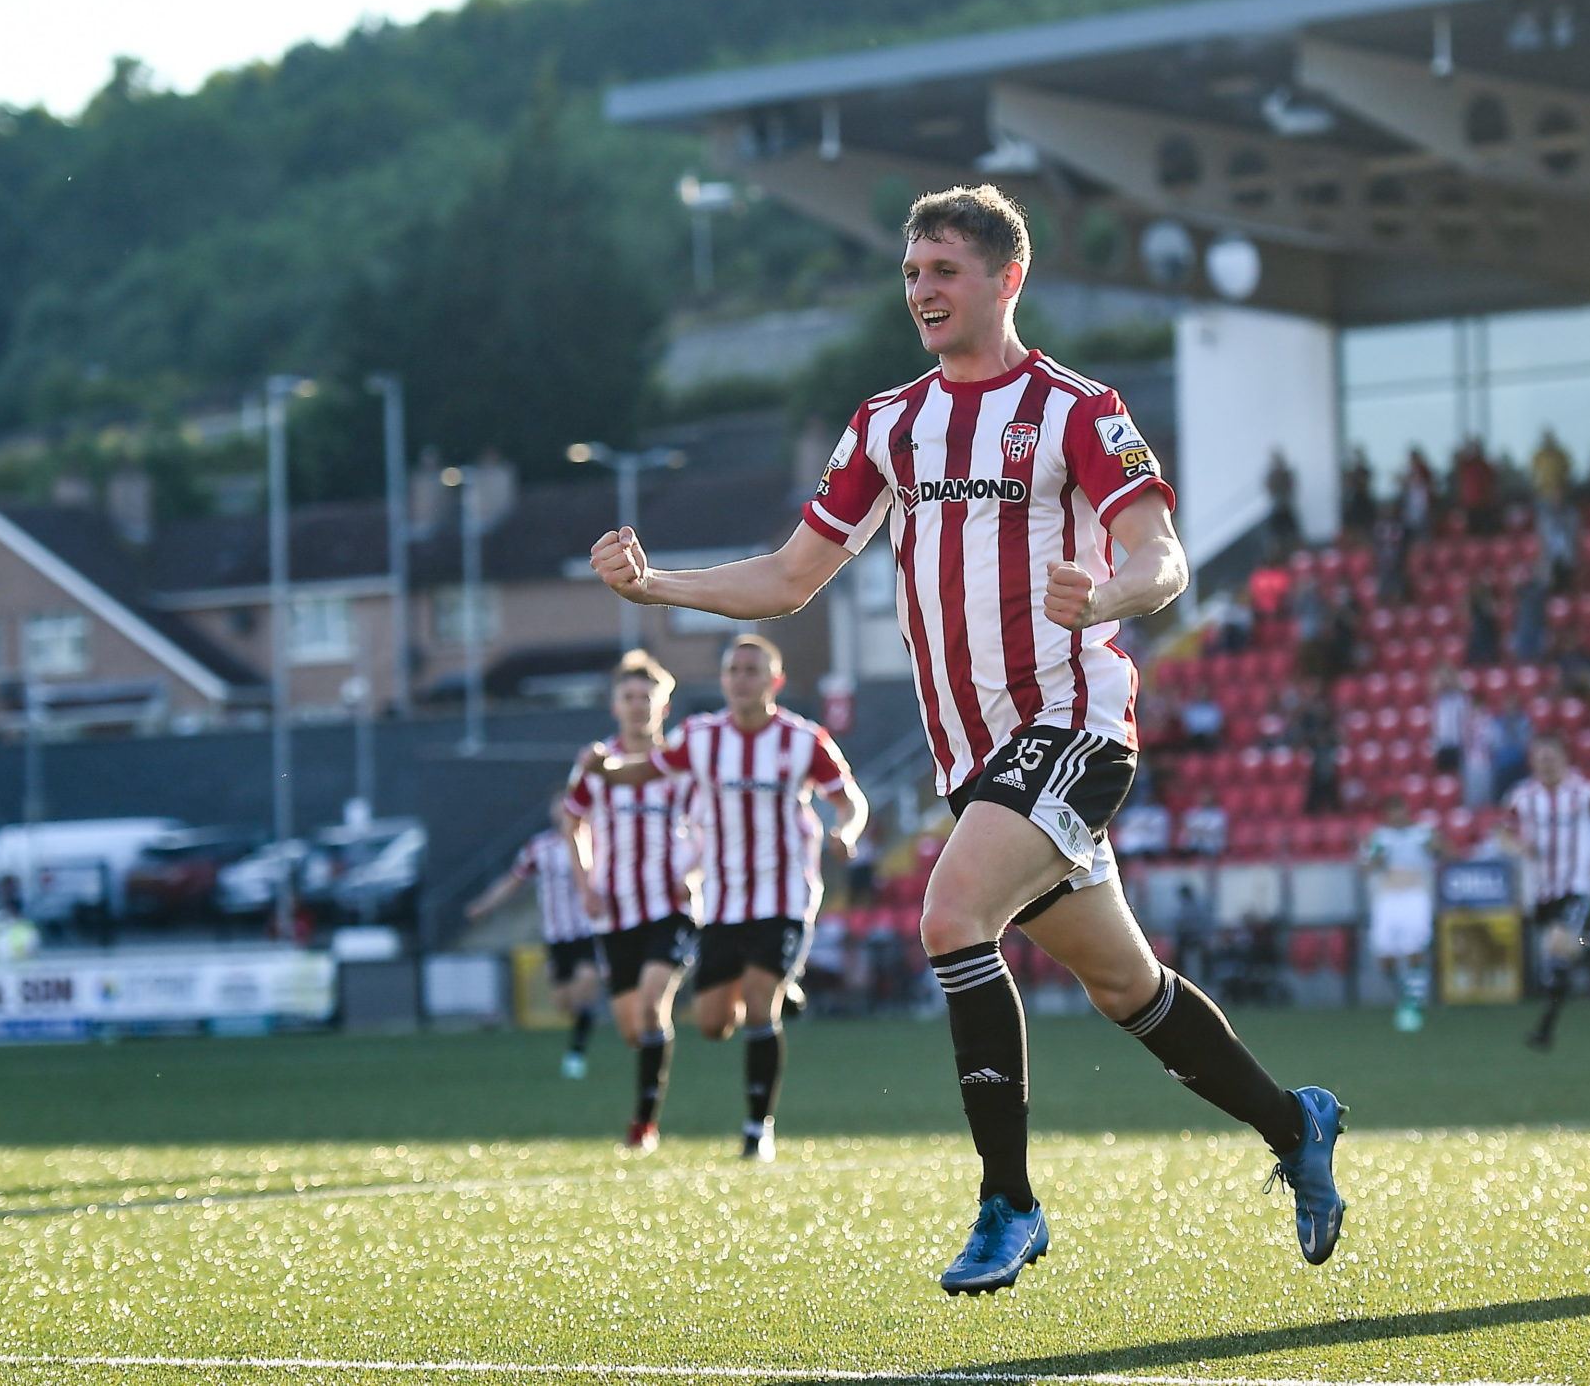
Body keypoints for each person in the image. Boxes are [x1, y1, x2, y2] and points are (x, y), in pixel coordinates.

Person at [588, 183, 1344, 1294]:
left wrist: (1110, 596)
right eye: (910, 273)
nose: (921, 292)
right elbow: (792, 576)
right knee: (1125, 987)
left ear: (1006, 279)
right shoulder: (886, 424)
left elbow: (1163, 555)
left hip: (1075, 721)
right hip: (975, 761)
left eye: (943, 270)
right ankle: (1293, 1122)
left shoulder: (1080, 410)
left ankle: (1009, 1201)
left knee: (949, 914)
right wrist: (660, 586)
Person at [578, 636, 868, 1163]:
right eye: (733, 670)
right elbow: (647, 770)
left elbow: (849, 800)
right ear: (723, 680)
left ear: (774, 681)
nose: (740, 678)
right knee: (713, 1024)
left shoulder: (804, 739)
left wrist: (846, 831)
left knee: (759, 1002)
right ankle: (786, 989)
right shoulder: (701, 737)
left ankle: (758, 1129)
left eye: (752, 670)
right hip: (722, 900)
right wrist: (609, 770)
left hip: (784, 895)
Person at [562, 650, 704, 1152]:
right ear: (614, 705)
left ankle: (643, 1124)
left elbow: (707, 825)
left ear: (663, 706)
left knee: (650, 1005)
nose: (638, 705)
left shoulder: (681, 766)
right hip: (616, 908)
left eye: (648, 697)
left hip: (670, 906)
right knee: (632, 1028)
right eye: (629, 697)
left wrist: (693, 870)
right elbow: (570, 820)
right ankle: (649, 1093)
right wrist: (584, 884)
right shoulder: (596, 762)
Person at [1501, 735, 1590, 1051]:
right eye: (1541, 759)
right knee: (1558, 960)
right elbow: (1500, 830)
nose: (1546, 764)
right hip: (1543, 891)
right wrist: (1519, 846)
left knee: (1557, 948)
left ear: (1565, 759)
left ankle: (1544, 1028)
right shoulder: (1523, 796)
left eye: (1551, 758)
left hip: (1577, 886)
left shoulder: (1584, 791)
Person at [466, 795, 603, 1081]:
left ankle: (576, 1053)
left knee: (586, 981)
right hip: (556, 934)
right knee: (564, 1001)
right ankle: (582, 1025)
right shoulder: (539, 847)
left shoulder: (596, 843)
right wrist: (484, 904)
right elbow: (512, 881)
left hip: (585, 930)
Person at [1362, 796, 1443, 1032]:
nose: (1398, 816)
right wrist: (1377, 858)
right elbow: (1365, 867)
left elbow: (1447, 852)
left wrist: (1436, 846)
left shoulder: (1423, 833)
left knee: (1415, 950)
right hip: (1387, 898)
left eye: (1401, 811)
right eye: (1393, 812)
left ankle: (1414, 1005)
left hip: (1415, 895)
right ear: (1387, 815)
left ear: (1408, 812)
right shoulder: (1379, 837)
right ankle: (1404, 995)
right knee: (1385, 956)